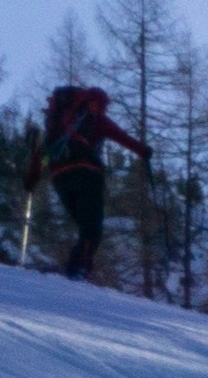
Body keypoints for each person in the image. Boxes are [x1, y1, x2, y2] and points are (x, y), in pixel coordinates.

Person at [29, 82, 146, 281]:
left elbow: (45, 153)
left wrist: (32, 177)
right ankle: (77, 271)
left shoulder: (59, 124)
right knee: (92, 227)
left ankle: (79, 267)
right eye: (104, 105)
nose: (104, 108)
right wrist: (144, 151)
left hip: (60, 179)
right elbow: (121, 137)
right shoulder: (97, 120)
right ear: (98, 102)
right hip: (87, 174)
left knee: (86, 226)